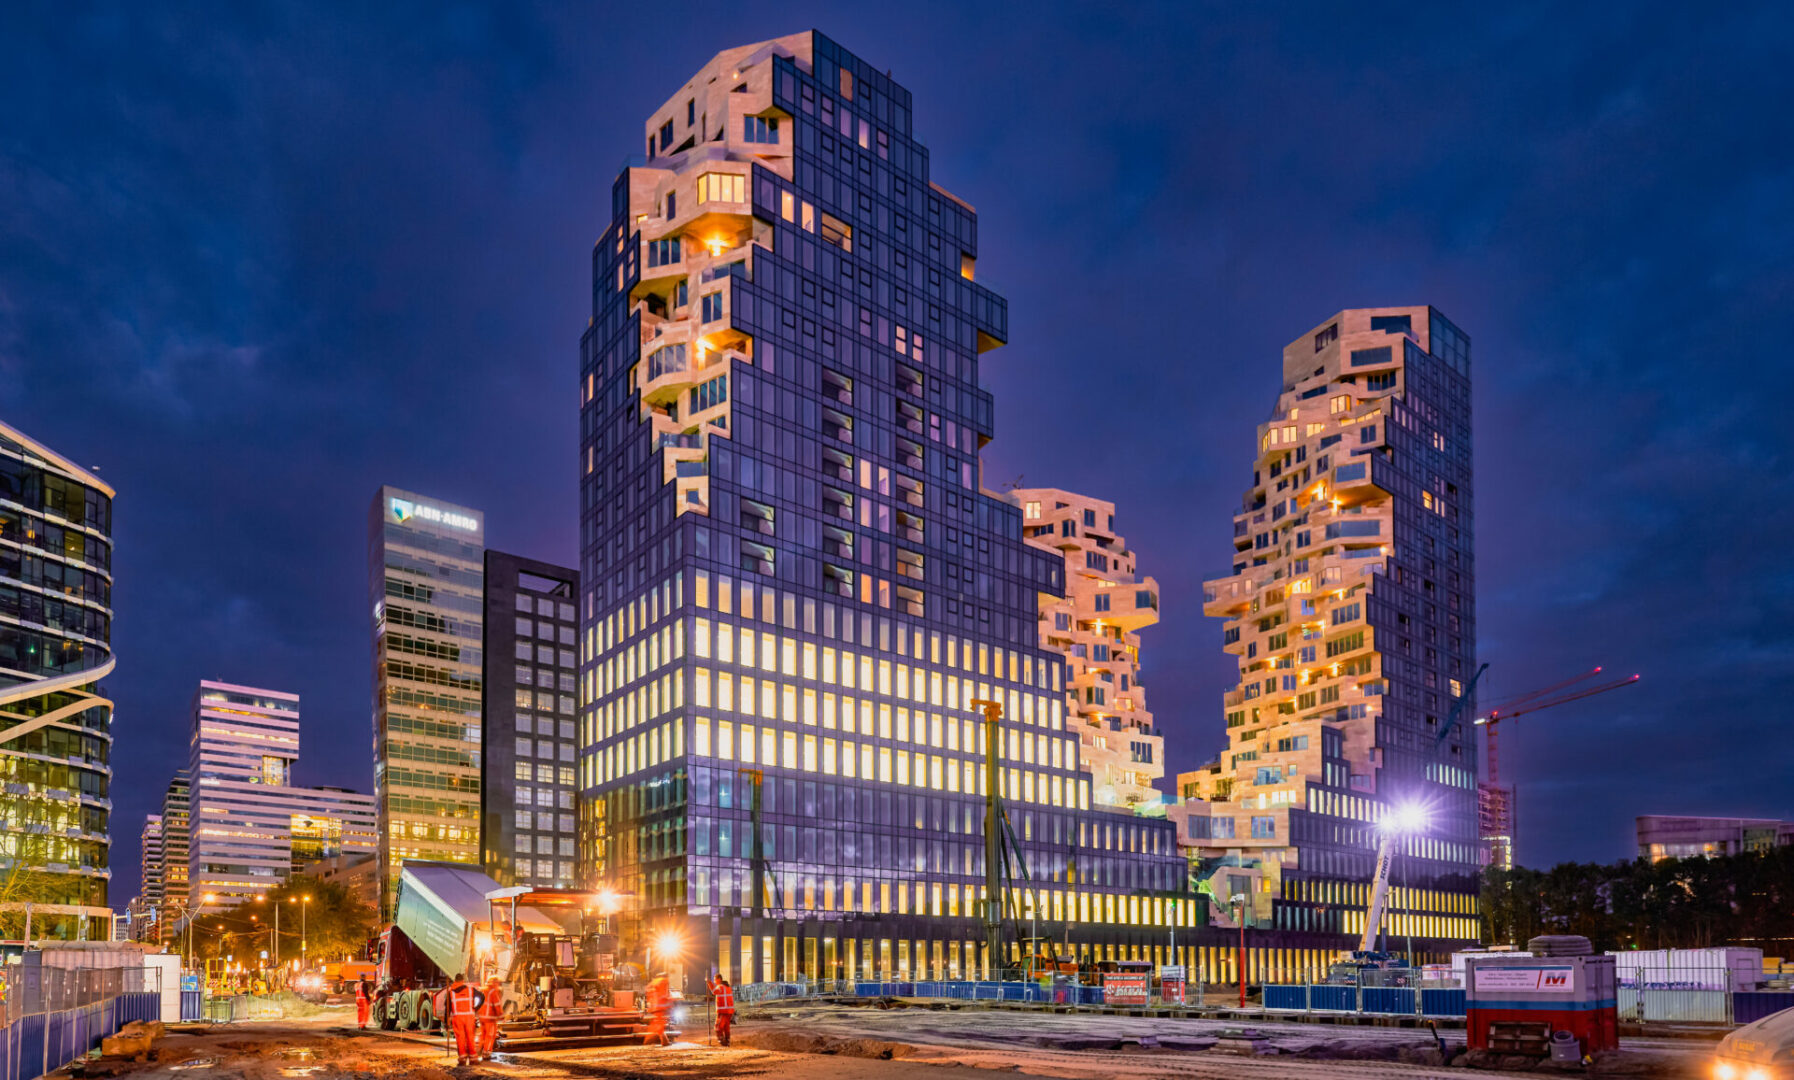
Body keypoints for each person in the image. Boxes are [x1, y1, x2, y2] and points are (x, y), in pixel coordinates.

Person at [442, 972, 485, 1066]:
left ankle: (462, 1059)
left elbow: (447, 1008)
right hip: (469, 1017)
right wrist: (475, 1008)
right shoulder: (470, 990)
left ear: (455, 981)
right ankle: (473, 1059)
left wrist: (446, 1022)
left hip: (458, 1018)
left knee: (460, 1039)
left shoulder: (450, 992)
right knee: (470, 1038)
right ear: (462, 980)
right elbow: (482, 996)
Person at [476, 976, 504, 1060]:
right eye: (498, 983)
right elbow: (497, 1005)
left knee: (483, 1035)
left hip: (481, 1017)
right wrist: (501, 1016)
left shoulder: (482, 990)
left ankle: (480, 1049)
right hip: (490, 1018)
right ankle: (486, 1053)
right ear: (495, 982)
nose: (499, 985)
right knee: (490, 1035)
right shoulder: (493, 992)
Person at [644, 973, 671, 1046]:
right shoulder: (663, 982)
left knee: (659, 1024)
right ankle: (648, 1040)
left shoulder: (653, 983)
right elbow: (664, 995)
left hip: (654, 1007)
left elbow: (648, 992)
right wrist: (669, 1002)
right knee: (659, 1025)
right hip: (660, 1007)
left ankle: (664, 1041)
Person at [710, 976, 734, 1047]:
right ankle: (727, 1042)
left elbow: (714, 992)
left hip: (723, 1011)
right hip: (729, 1011)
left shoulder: (721, 987)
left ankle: (723, 1043)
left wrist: (709, 983)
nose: (714, 981)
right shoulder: (727, 987)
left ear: (719, 979)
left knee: (718, 1027)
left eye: (715, 980)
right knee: (726, 1028)